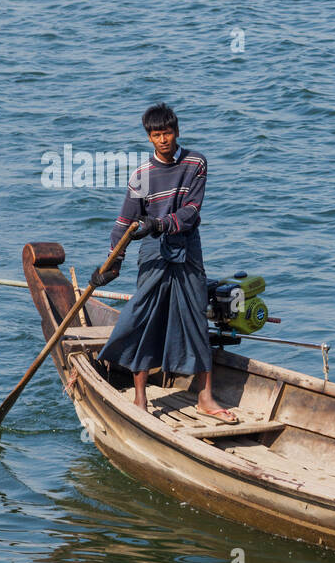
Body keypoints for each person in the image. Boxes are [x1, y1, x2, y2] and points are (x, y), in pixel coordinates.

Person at [96, 103, 237, 423]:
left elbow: (191, 211)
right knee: (143, 317)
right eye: (157, 135)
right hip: (152, 253)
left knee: (195, 318)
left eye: (168, 133)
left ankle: (205, 397)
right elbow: (124, 224)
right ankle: (140, 397)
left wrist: (160, 225)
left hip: (187, 250)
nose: (163, 140)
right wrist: (113, 263)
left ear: (177, 131)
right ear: (149, 137)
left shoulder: (195, 163)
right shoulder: (142, 175)